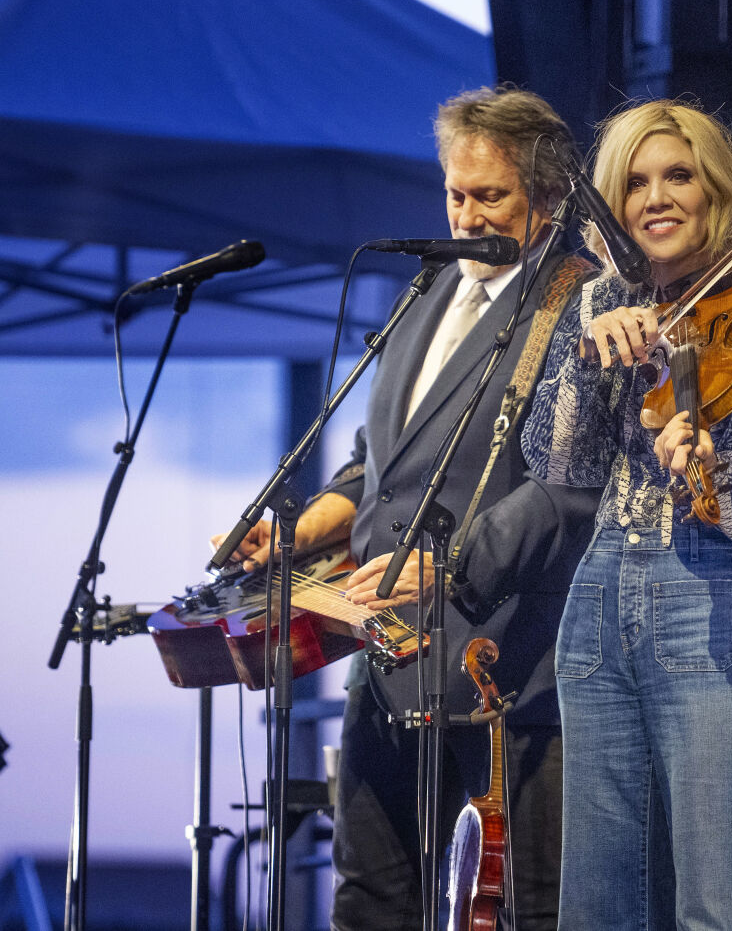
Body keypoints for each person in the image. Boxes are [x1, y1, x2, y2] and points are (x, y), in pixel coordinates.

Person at [219, 87, 599, 931]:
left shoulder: (575, 305)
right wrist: (298, 531)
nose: (464, 217)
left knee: (522, 911)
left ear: (548, 201)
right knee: (370, 898)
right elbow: (375, 465)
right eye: (454, 194)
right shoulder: (425, 295)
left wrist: (457, 567)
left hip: (508, 667)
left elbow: (570, 489)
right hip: (385, 656)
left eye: (489, 197)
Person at [520, 99, 732, 931]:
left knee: (719, 899)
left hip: (711, 595)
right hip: (598, 595)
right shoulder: (596, 309)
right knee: (595, 902)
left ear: (714, 188)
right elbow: (554, 463)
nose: (656, 197)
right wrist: (587, 357)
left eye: (678, 176)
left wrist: (708, 466)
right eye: (635, 183)